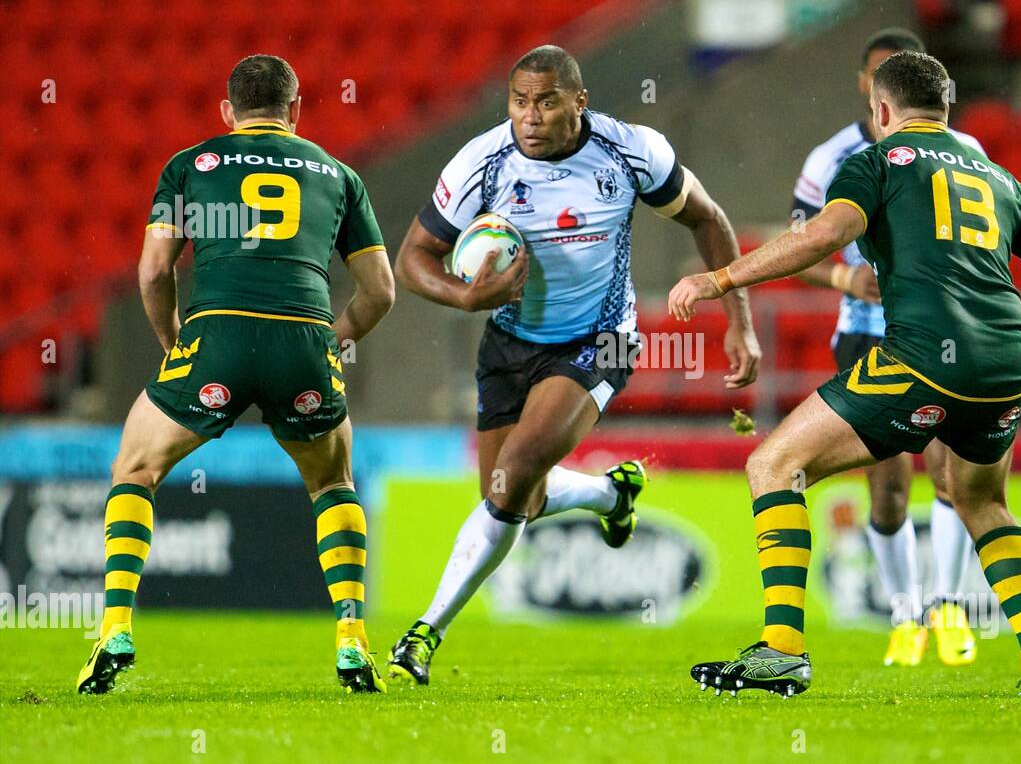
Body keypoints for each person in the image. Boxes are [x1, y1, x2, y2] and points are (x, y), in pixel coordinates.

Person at [669, 51, 1021, 698]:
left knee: (774, 467)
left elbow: (823, 236)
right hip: (1004, 364)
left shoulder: (876, 162)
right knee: (982, 502)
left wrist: (719, 277)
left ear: (881, 111)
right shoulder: (997, 178)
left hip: (922, 357)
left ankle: (782, 651)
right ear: (944, 110)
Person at [386, 45, 761, 685]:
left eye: (547, 101)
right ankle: (612, 493)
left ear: (578, 102)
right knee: (509, 499)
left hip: (605, 339)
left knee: (515, 474)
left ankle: (424, 634)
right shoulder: (481, 162)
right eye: (519, 101)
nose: (529, 117)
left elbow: (709, 219)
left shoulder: (633, 151)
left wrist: (740, 321)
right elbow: (412, 259)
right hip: (508, 343)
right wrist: (465, 296)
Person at [78, 54, 395, 694]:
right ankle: (352, 635)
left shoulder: (190, 165)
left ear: (228, 111)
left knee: (135, 470)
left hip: (215, 333)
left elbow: (151, 270)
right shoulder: (338, 174)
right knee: (333, 484)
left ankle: (114, 627)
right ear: (295, 111)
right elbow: (380, 290)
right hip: (304, 339)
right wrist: (336, 338)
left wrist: (173, 342)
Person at [790, 27, 986, 667]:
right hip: (869, 334)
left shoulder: (963, 151)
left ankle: (951, 608)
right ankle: (906, 613)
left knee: (951, 475)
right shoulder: (832, 160)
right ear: (867, 88)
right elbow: (805, 247)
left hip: (944, 335)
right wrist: (847, 276)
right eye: (880, 79)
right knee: (889, 487)